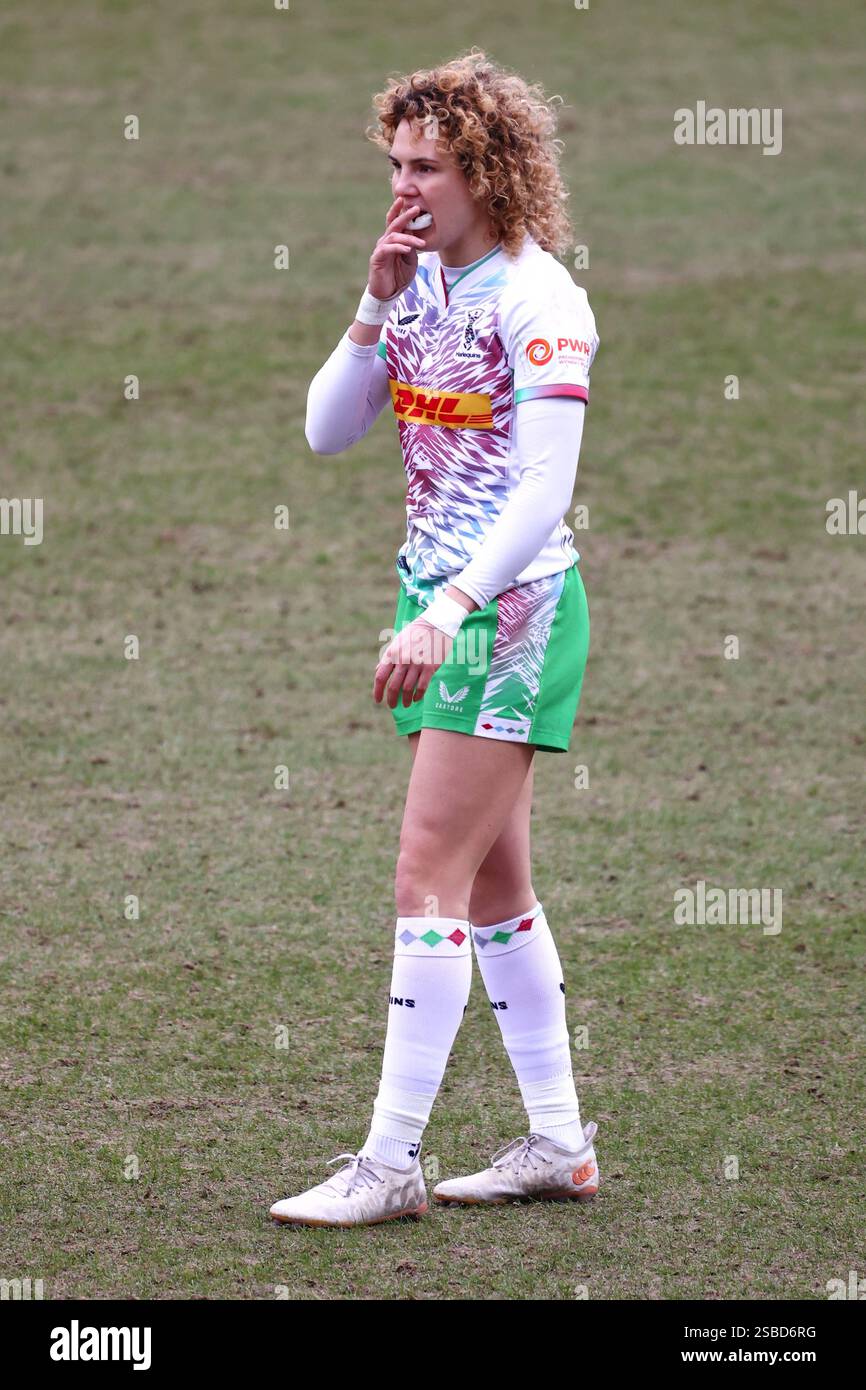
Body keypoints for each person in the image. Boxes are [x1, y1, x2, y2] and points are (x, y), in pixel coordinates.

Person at [270, 49, 600, 1228]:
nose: (404, 187)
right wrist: (371, 298)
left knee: (425, 878)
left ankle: (390, 1161)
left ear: (490, 172)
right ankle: (558, 1144)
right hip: (441, 604)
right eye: (395, 164)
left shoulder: (539, 301)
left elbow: (541, 492)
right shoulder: (414, 280)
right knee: (495, 884)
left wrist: (445, 612)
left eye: (429, 168)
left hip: (500, 617)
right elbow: (324, 432)